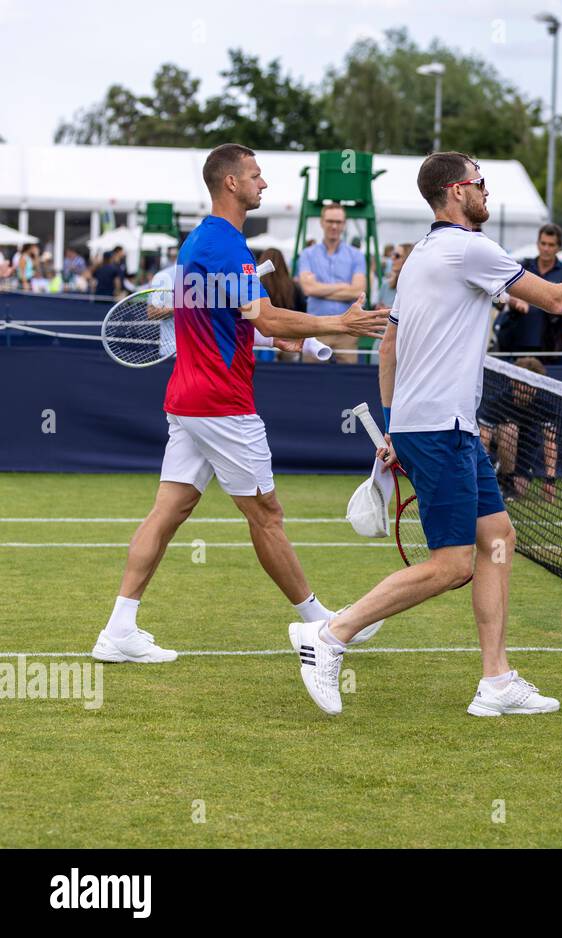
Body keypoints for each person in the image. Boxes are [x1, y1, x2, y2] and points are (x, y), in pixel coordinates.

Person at [297, 150, 562, 717]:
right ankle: (331, 635)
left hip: (441, 427)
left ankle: (496, 681)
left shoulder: (420, 257)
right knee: (452, 565)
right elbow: (559, 299)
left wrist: (394, 423)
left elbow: (388, 346)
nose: (485, 191)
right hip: (440, 428)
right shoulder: (468, 247)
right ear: (455, 192)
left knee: (498, 538)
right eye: (479, 183)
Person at [90, 143, 388, 665]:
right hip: (220, 406)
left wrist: (285, 340)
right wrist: (336, 323)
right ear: (230, 183)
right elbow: (265, 316)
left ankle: (118, 629)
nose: (263, 184)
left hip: (189, 402)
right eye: (255, 175)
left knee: (169, 510)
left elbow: (224, 323)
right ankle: (323, 626)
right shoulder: (224, 246)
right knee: (267, 515)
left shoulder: (203, 243)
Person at [478, 357, 558, 502]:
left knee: (519, 490)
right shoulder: (498, 402)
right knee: (510, 429)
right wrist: (482, 475)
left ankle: (504, 478)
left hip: (526, 447)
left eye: (532, 385)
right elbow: (484, 440)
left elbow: (550, 441)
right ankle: (505, 479)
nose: (528, 389)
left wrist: (550, 480)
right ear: (513, 381)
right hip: (500, 445)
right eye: (524, 384)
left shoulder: (545, 403)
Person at [298, 202, 367, 363]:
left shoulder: (356, 255)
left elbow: (357, 291)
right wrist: (343, 287)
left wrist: (320, 288)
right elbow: (308, 289)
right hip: (316, 328)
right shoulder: (307, 254)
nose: (334, 226)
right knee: (312, 380)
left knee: (348, 380)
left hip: (347, 331)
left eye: (338, 222)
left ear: (344, 224)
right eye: (330, 221)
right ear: (322, 222)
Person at [497, 223, 562, 356]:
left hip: (552, 347)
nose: (546, 248)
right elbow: (496, 296)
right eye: (543, 243)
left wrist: (554, 305)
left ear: (559, 247)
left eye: (551, 245)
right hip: (516, 343)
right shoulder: (521, 267)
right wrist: (512, 301)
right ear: (537, 244)